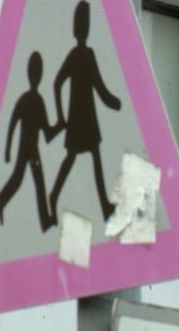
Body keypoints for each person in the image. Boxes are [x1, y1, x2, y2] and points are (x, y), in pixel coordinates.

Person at [48, 0, 122, 228]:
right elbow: (98, 87)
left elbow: (60, 83)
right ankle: (56, 196)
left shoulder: (78, 54)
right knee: (77, 159)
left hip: (82, 119)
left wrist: (62, 116)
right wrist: (113, 101)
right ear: (84, 27)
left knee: (88, 159)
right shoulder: (84, 54)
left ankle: (101, 204)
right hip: (83, 119)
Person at [0, 51, 63, 231]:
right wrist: (61, 125)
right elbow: (14, 123)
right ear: (37, 75)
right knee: (23, 181)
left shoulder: (31, 99)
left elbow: (45, 133)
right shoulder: (33, 100)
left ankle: (44, 220)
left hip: (30, 149)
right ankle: (1, 201)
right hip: (28, 150)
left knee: (34, 182)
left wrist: (60, 126)